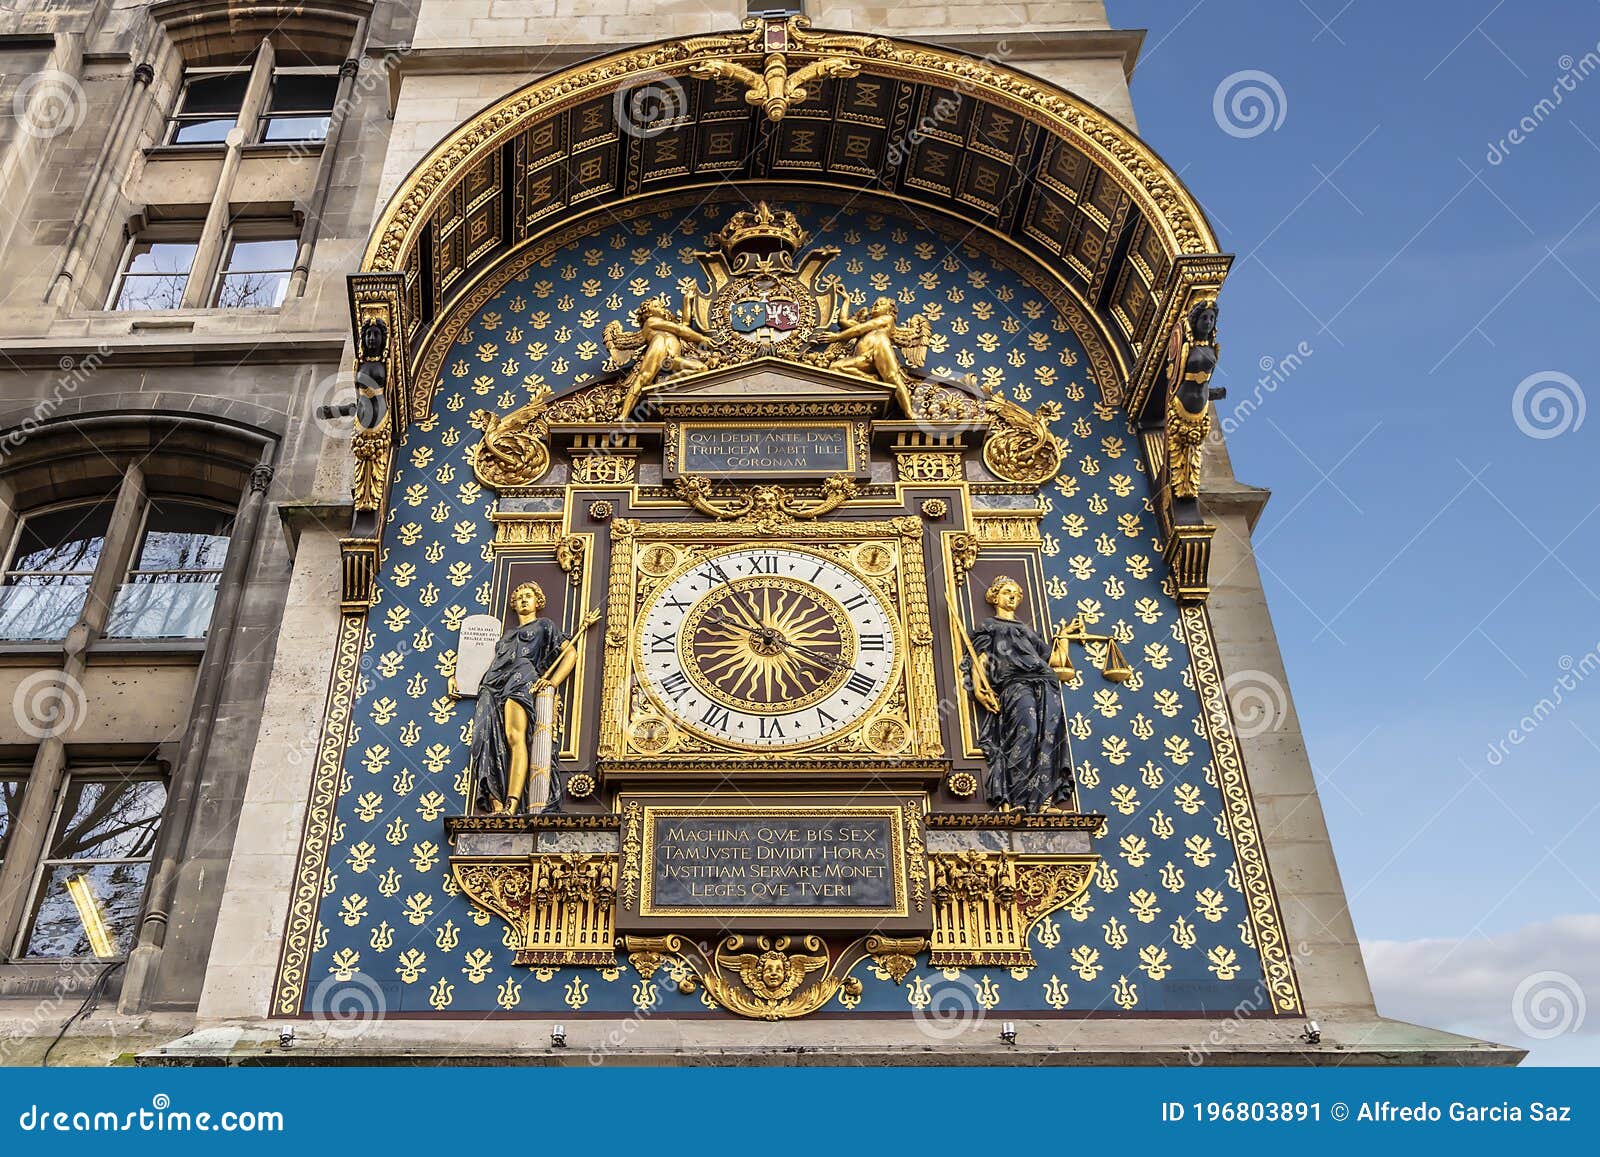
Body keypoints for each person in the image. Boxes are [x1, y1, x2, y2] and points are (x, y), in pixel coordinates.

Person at [963, 576, 1075, 813]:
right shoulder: (990, 626)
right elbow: (980, 658)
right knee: (1027, 732)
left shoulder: (1026, 630)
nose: (1012, 596)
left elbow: (1054, 660)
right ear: (995, 596)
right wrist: (978, 686)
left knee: (1048, 739)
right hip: (1014, 684)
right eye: (1006, 591)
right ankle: (1018, 799)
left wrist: (1063, 637)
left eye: (1016, 593)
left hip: (1046, 684)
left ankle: (1043, 804)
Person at [470, 581, 580, 814]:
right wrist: (459, 680)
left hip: (521, 678)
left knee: (513, 735)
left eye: (528, 595)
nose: (523, 600)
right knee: (486, 738)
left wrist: (551, 681)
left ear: (538, 601)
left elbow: (570, 653)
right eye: (519, 596)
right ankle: (496, 801)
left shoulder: (544, 626)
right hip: (492, 685)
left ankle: (512, 803)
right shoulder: (507, 635)